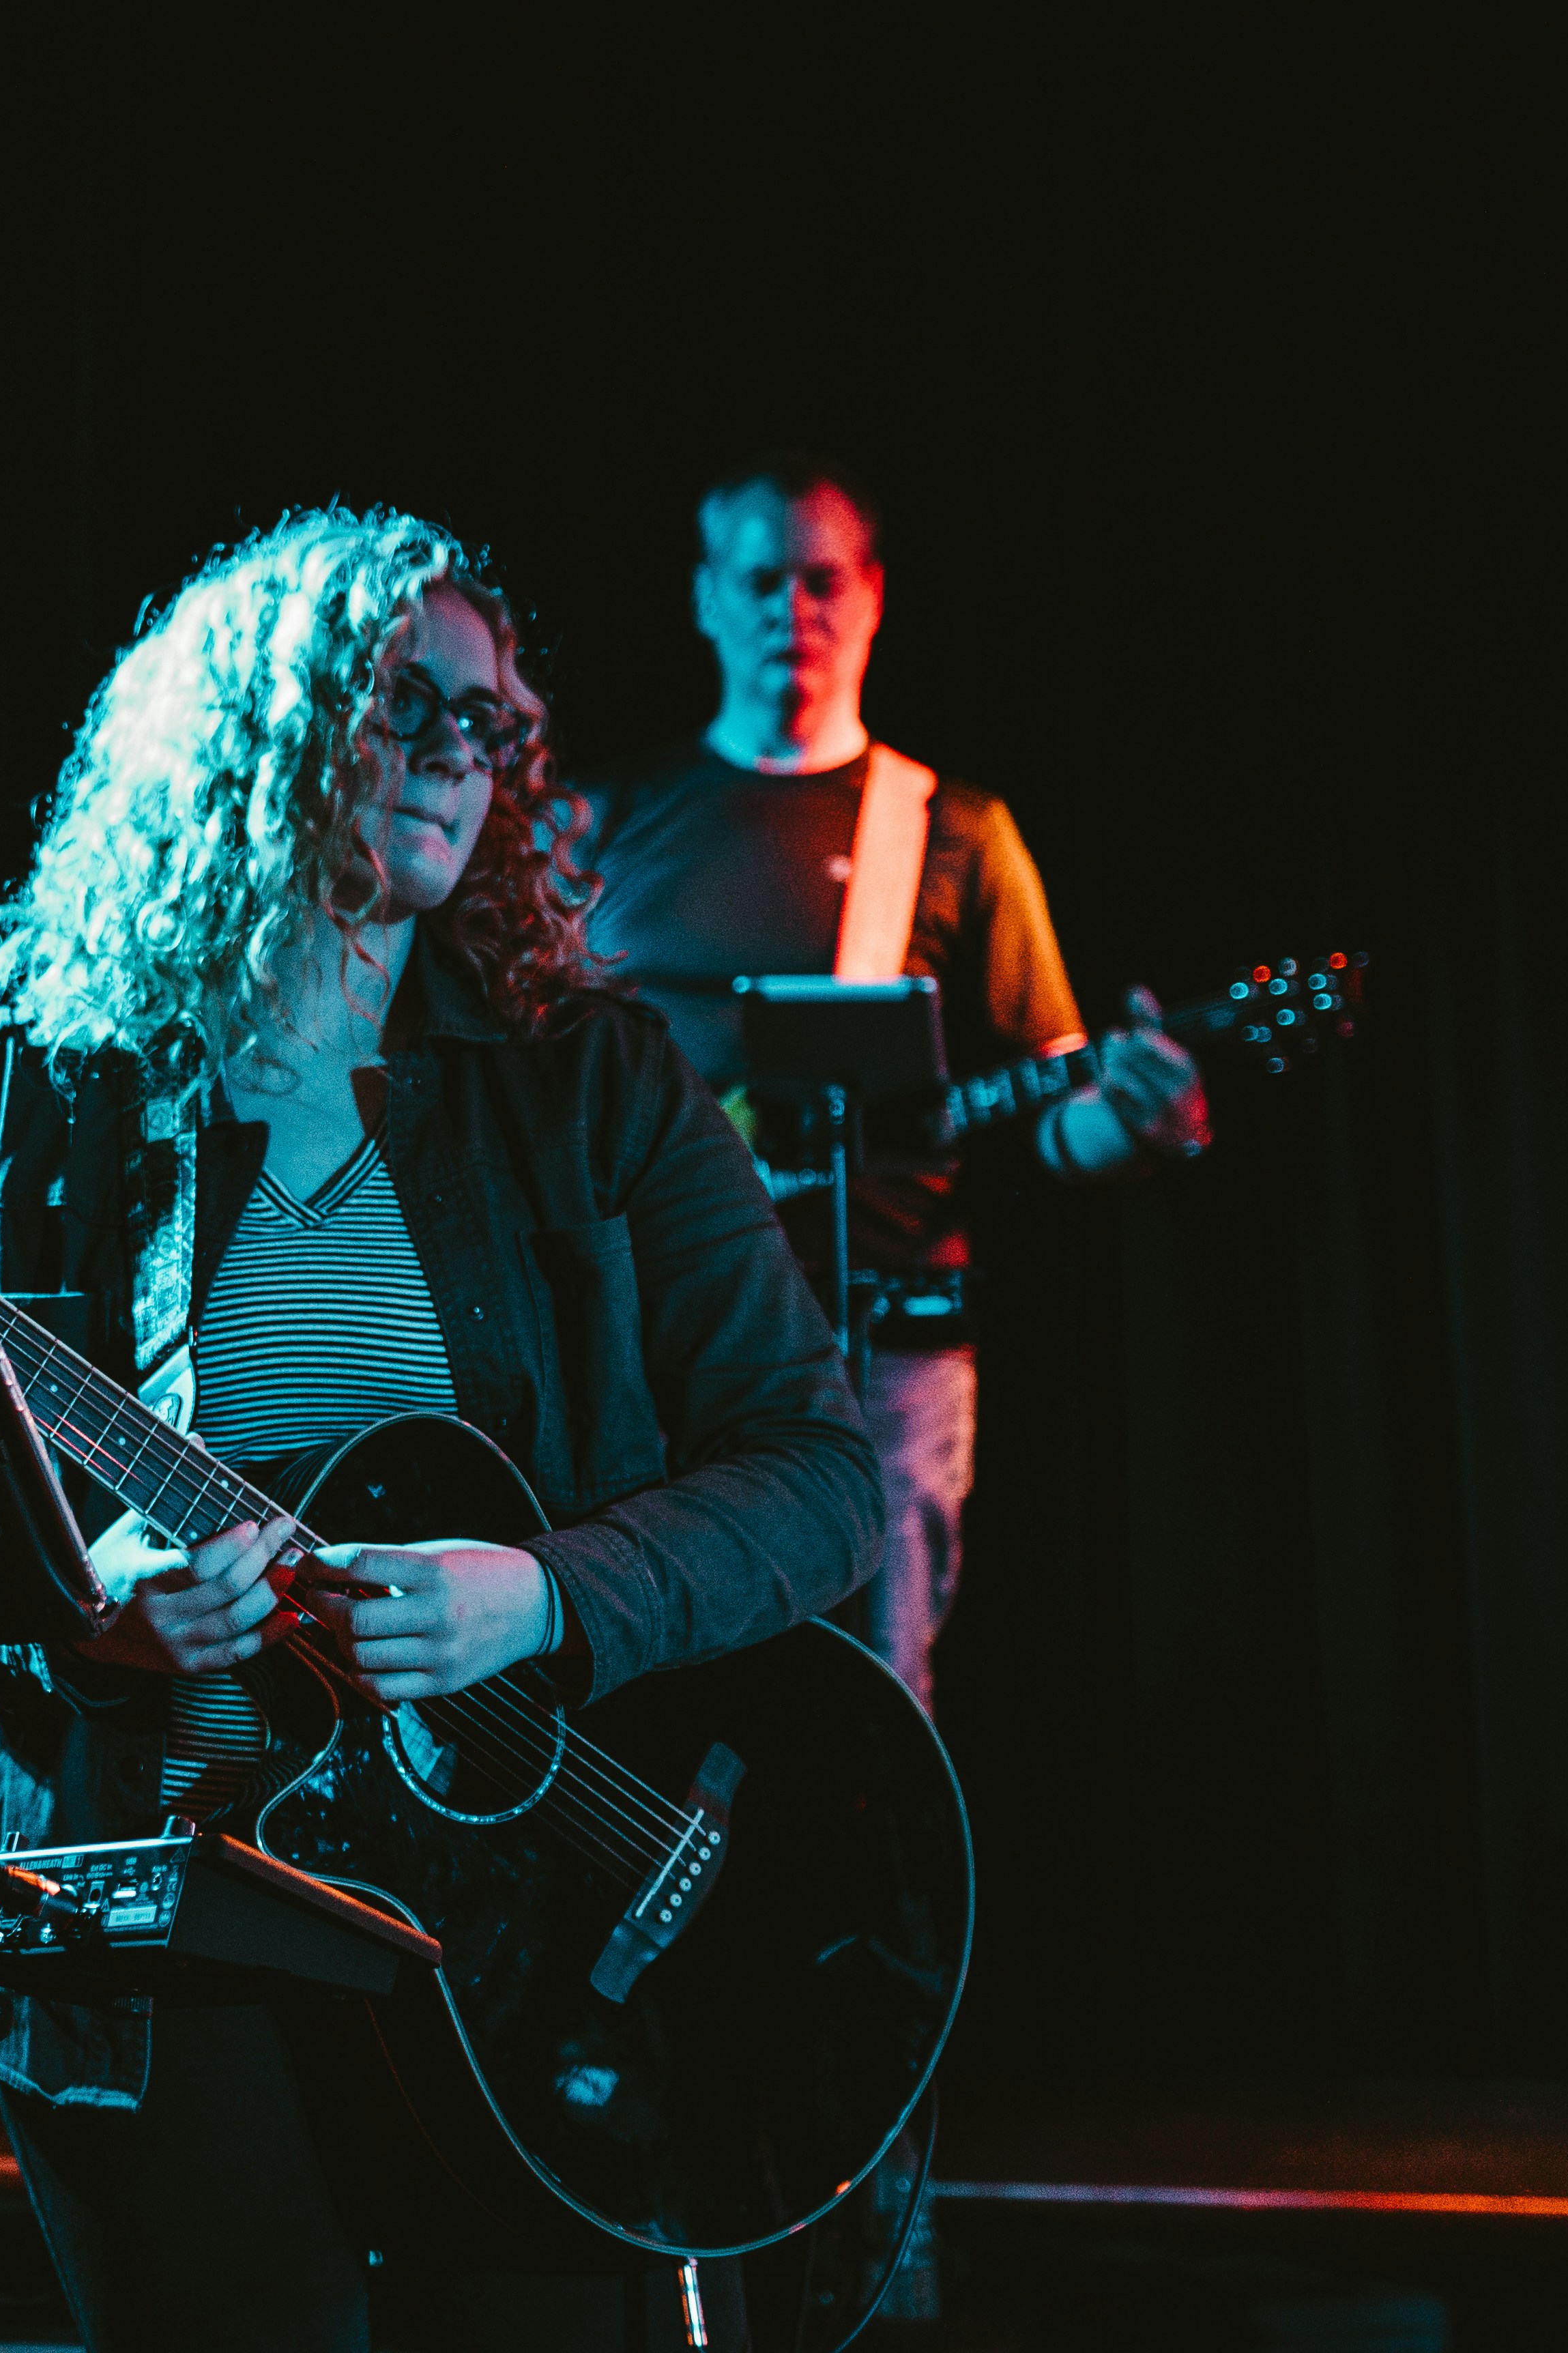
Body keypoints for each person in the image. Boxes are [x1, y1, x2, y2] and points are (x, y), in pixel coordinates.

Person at [0, 508, 882, 2353]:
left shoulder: (596, 1082)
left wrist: (542, 1596)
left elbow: (827, 1484)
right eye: (404, 701)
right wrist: (81, 1603)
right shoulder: (27, 1101)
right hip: (158, 1916)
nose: (458, 752)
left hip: (529, 1931)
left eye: (491, 726)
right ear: (252, 730)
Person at [576, 454, 1209, 1711]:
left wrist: (1140, 1124)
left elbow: (1051, 1115)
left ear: (870, 596)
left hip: (873, 1354)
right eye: (760, 581)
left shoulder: (952, 831)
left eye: (821, 581)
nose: (790, 611)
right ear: (706, 598)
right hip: (645, 1345)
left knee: (862, 1721)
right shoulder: (604, 819)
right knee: (648, 1695)